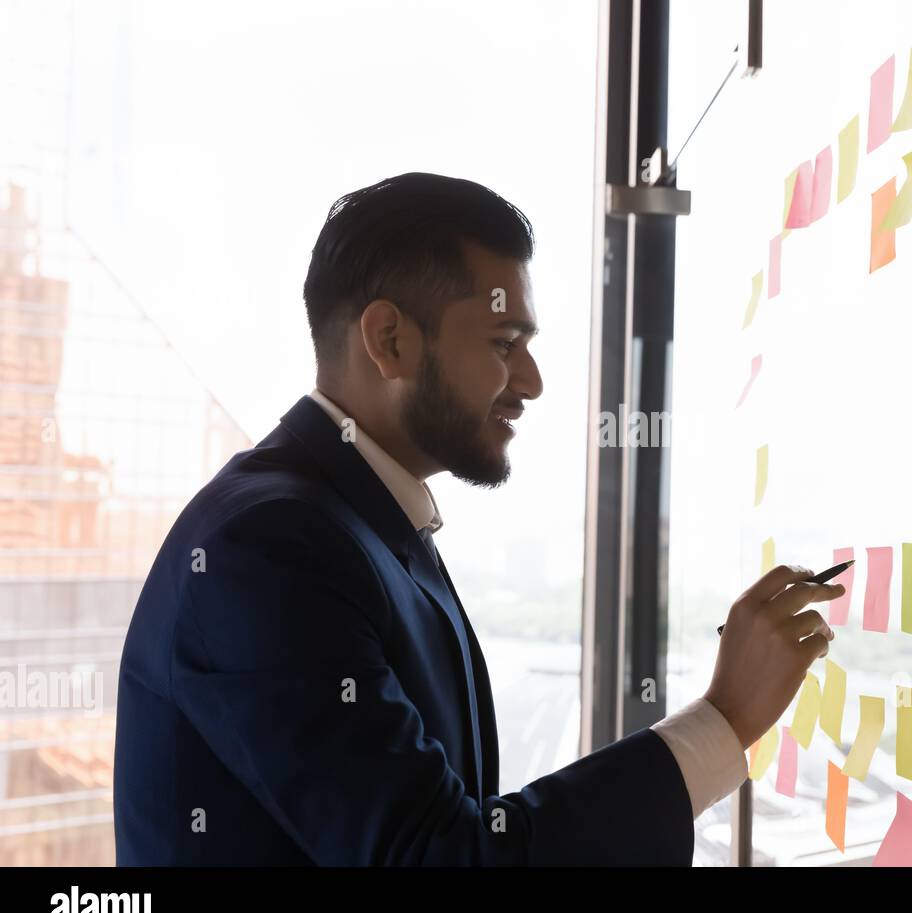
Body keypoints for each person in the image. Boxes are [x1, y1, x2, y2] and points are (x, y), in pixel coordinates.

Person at [112, 172, 842, 865]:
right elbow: (439, 858)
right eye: (503, 344)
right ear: (390, 340)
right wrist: (724, 718)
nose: (531, 382)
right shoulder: (267, 548)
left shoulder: (361, 522)